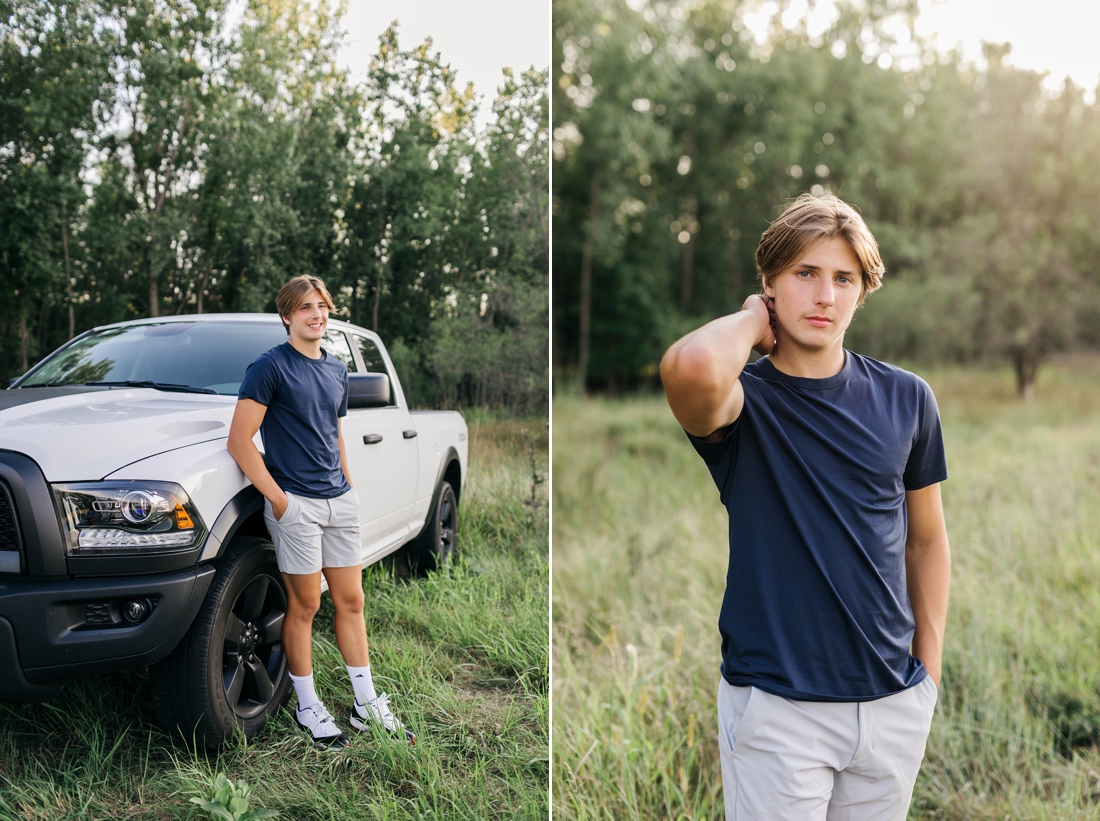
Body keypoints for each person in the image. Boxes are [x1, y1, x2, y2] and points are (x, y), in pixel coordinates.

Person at [660, 194, 950, 819]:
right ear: (769, 282)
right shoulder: (744, 403)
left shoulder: (907, 398)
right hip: (779, 708)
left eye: (843, 278)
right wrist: (750, 321)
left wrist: (928, 673)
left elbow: (925, 539)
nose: (824, 296)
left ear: (862, 291)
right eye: (805, 273)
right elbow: (692, 365)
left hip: (891, 703)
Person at [227, 274, 414, 750]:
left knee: (352, 601)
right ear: (287, 316)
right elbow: (239, 441)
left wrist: (348, 487)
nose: (316, 315)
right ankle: (307, 707)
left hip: (339, 501)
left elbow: (334, 434)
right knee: (306, 605)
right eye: (305, 307)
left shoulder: (335, 368)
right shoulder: (269, 366)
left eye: (322, 306)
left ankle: (365, 705)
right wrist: (280, 500)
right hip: (298, 505)